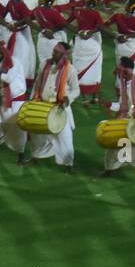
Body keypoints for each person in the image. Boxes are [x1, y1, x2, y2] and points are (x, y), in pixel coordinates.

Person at [99, 56, 135, 183]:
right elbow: (122, 105)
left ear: (128, 70)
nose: (120, 74)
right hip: (124, 123)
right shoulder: (123, 85)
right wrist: (110, 105)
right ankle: (109, 170)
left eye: (122, 71)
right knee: (112, 147)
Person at [26, 42, 79, 172]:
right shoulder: (44, 64)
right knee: (36, 134)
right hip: (42, 106)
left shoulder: (70, 69)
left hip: (60, 109)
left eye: (56, 52)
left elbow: (76, 90)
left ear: (64, 54)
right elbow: (37, 83)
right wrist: (32, 100)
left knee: (65, 137)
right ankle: (35, 157)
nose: (53, 53)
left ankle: (68, 165)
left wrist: (69, 98)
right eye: (54, 51)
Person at [0, 38, 28, 163]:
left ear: (2, 50)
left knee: (17, 131)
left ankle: (21, 156)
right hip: (3, 101)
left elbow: (8, 78)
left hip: (16, 103)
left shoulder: (14, 62)